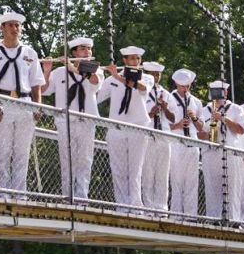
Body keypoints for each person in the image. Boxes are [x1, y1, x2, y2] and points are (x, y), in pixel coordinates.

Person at [0, 11, 44, 199]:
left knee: (22, 152)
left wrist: (38, 107)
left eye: (17, 25)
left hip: (24, 102)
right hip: (2, 102)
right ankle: (3, 191)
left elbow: (36, 82)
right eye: (10, 25)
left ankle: (20, 193)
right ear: (2, 28)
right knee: (2, 151)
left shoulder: (30, 53)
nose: (15, 29)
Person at [42, 36, 101, 201]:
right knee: (67, 160)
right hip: (65, 121)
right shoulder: (59, 72)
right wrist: (46, 71)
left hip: (87, 121)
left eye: (89, 49)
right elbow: (44, 90)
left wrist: (73, 68)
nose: (87, 51)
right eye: (82, 49)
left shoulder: (96, 70)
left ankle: (82, 197)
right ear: (74, 52)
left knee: (85, 160)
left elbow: (95, 82)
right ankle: (67, 196)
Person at [98, 46, 152, 209]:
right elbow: (95, 97)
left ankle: (136, 205)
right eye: (132, 59)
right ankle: (122, 205)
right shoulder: (111, 80)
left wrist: (117, 76)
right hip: (117, 128)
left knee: (135, 169)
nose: (135, 61)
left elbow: (141, 88)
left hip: (138, 127)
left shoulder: (147, 77)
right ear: (125, 61)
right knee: (118, 169)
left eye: (137, 59)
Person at [199, 80, 244, 220]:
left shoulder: (236, 109)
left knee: (233, 187)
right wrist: (207, 135)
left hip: (230, 151)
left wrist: (223, 119)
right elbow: (199, 134)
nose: (219, 95)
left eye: (221, 92)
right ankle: (213, 218)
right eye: (215, 92)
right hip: (210, 152)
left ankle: (233, 219)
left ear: (226, 92)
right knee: (212, 187)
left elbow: (241, 130)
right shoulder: (204, 110)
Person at [167, 69, 203, 218]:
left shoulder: (196, 101)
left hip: (192, 143)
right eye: (182, 85)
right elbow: (162, 124)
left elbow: (201, 128)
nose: (185, 88)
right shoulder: (169, 98)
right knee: (176, 180)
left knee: (192, 182)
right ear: (176, 83)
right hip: (176, 142)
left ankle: (190, 216)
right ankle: (176, 215)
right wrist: (178, 125)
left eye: (187, 85)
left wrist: (194, 118)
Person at [140, 62, 174, 214]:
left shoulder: (166, 94)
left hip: (163, 136)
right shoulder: (141, 91)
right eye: (152, 74)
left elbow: (173, 118)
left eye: (157, 74)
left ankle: (161, 208)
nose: (155, 77)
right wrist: (151, 113)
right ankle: (148, 206)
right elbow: (137, 115)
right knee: (147, 172)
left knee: (162, 173)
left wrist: (165, 108)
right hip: (147, 134)